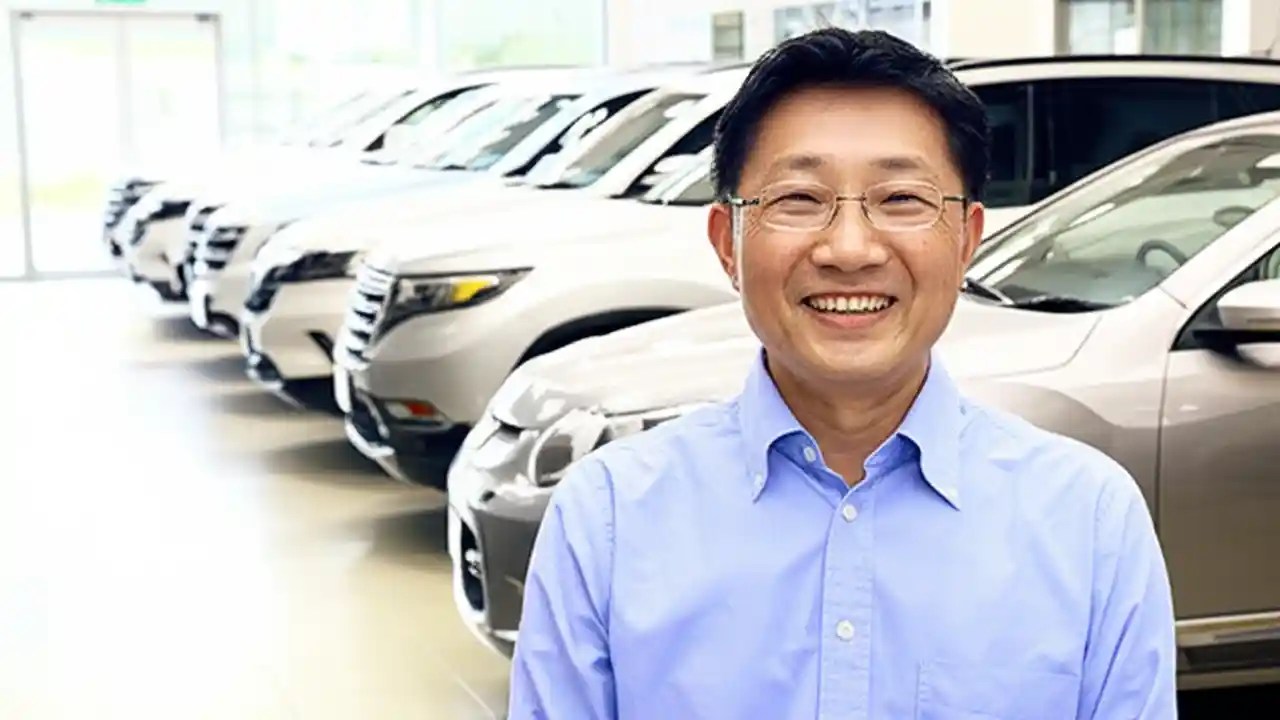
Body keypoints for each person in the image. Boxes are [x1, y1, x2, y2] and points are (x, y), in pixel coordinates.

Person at [508, 28, 1177, 719]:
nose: (850, 248)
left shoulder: (1087, 518)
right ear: (727, 243)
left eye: (901, 200)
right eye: (798, 199)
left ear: (967, 241)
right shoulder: (610, 517)